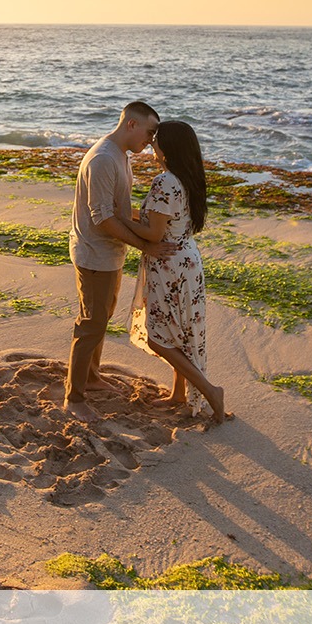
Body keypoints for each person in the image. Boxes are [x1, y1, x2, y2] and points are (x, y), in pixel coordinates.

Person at [65, 101, 177, 422]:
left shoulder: (121, 157)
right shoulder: (103, 160)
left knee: (101, 316)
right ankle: (74, 397)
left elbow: (121, 210)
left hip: (109, 253)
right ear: (131, 125)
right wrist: (146, 245)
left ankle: (91, 376)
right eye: (149, 132)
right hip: (94, 253)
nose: (151, 140)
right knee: (91, 323)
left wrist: (158, 223)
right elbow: (103, 219)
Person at [120, 119, 226, 423]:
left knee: (159, 337)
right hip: (187, 260)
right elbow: (164, 221)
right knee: (180, 332)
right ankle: (179, 393)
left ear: (167, 147)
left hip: (168, 265)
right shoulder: (188, 177)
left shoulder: (165, 181)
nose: (152, 145)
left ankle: (209, 390)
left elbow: (153, 233)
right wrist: (128, 213)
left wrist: (118, 217)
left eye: (156, 140)